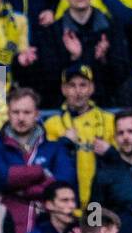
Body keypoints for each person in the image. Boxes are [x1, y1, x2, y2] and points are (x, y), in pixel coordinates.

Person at [0, 86, 77, 233]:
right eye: (16, 112)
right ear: (8, 114)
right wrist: (41, 172)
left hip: (48, 229)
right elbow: (4, 178)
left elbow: (63, 186)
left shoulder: (55, 148)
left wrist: (18, 189)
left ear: (37, 114)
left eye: (27, 112)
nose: (21, 118)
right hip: (6, 227)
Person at [44, 64, 116, 206]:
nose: (78, 91)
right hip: (66, 205)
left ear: (91, 88)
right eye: (72, 85)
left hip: (98, 203)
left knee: (93, 227)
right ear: (64, 89)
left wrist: (110, 151)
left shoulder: (109, 120)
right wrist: (63, 143)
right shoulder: (52, 124)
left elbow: (123, 162)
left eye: (83, 85)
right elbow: (45, 163)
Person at [89, 110, 132, 215]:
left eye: (131, 131)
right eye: (120, 133)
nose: (125, 137)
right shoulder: (103, 175)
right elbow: (93, 220)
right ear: (115, 138)